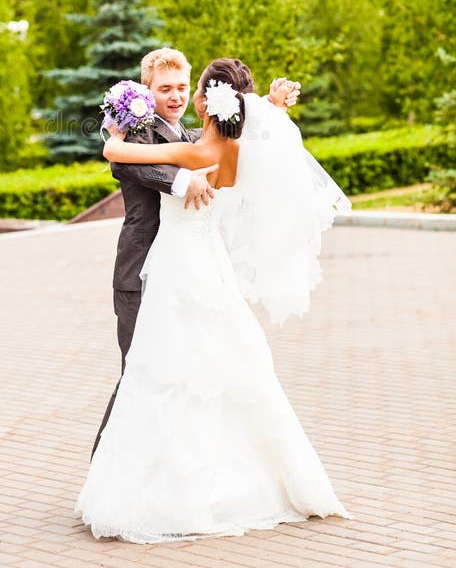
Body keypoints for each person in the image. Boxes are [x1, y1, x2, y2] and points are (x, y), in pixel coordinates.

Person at [76, 58, 350, 543]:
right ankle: (246, 480)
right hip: (206, 266)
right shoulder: (233, 147)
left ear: (203, 98)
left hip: (178, 269)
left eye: (190, 88)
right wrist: (268, 106)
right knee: (212, 372)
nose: (184, 95)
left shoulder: (193, 148)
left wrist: (110, 136)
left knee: (160, 372)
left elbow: (119, 156)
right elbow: (240, 136)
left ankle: (149, 485)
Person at [92, 48, 300, 457]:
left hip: (186, 271)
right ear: (146, 91)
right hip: (140, 271)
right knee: (139, 370)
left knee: (180, 373)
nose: (175, 96)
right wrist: (180, 183)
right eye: (163, 89)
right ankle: (106, 464)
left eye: (182, 87)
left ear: (197, 93)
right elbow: (125, 166)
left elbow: (228, 142)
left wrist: (266, 110)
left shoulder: (194, 136)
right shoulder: (139, 132)